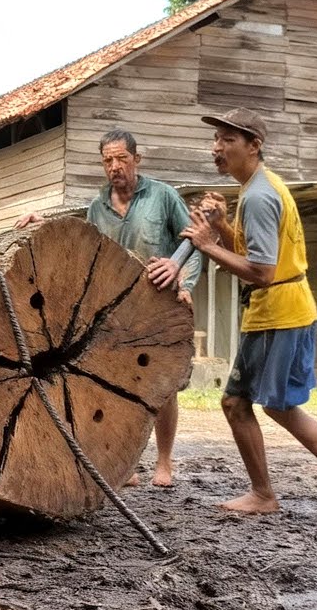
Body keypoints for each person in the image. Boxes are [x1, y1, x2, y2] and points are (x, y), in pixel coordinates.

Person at [180, 108, 317, 514]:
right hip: (282, 311)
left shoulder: (261, 196)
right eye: (216, 140)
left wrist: (208, 244)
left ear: (254, 146)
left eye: (228, 140)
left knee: (241, 403)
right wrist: (224, 228)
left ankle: (270, 493)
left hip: (277, 313)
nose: (217, 148)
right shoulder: (257, 188)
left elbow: (262, 272)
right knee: (264, 404)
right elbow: (256, 255)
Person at [15, 129, 200, 487]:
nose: (115, 167)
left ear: (137, 159)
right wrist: (45, 224)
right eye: (107, 161)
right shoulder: (97, 206)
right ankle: (124, 464)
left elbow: (194, 241)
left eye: (122, 159)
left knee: (163, 385)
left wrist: (185, 282)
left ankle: (164, 463)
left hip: (159, 301)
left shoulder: (163, 196)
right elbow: (86, 241)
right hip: (113, 309)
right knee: (115, 385)